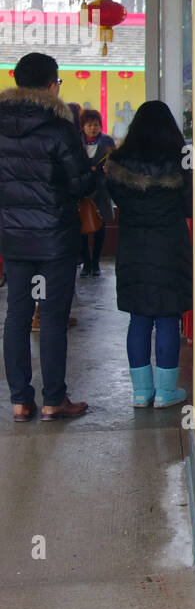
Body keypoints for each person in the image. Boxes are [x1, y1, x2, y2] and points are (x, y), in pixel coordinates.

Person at [0, 52, 95, 421]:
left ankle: (20, 401)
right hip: (54, 238)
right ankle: (55, 399)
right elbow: (79, 183)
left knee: (17, 317)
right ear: (51, 84)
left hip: (13, 236)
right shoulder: (59, 127)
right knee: (53, 318)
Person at [106, 101, 192, 409]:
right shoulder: (180, 160)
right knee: (168, 318)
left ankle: (141, 392)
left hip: (132, 245)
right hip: (169, 246)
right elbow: (190, 204)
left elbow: (114, 196)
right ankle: (166, 391)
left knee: (139, 319)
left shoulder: (118, 159)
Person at [78, 109, 115, 276]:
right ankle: (86, 262)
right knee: (82, 227)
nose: (93, 128)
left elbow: (114, 163)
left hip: (101, 188)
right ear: (83, 126)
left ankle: (96, 262)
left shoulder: (107, 141)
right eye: (90, 125)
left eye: (96, 125)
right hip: (82, 189)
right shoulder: (76, 141)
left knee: (101, 226)